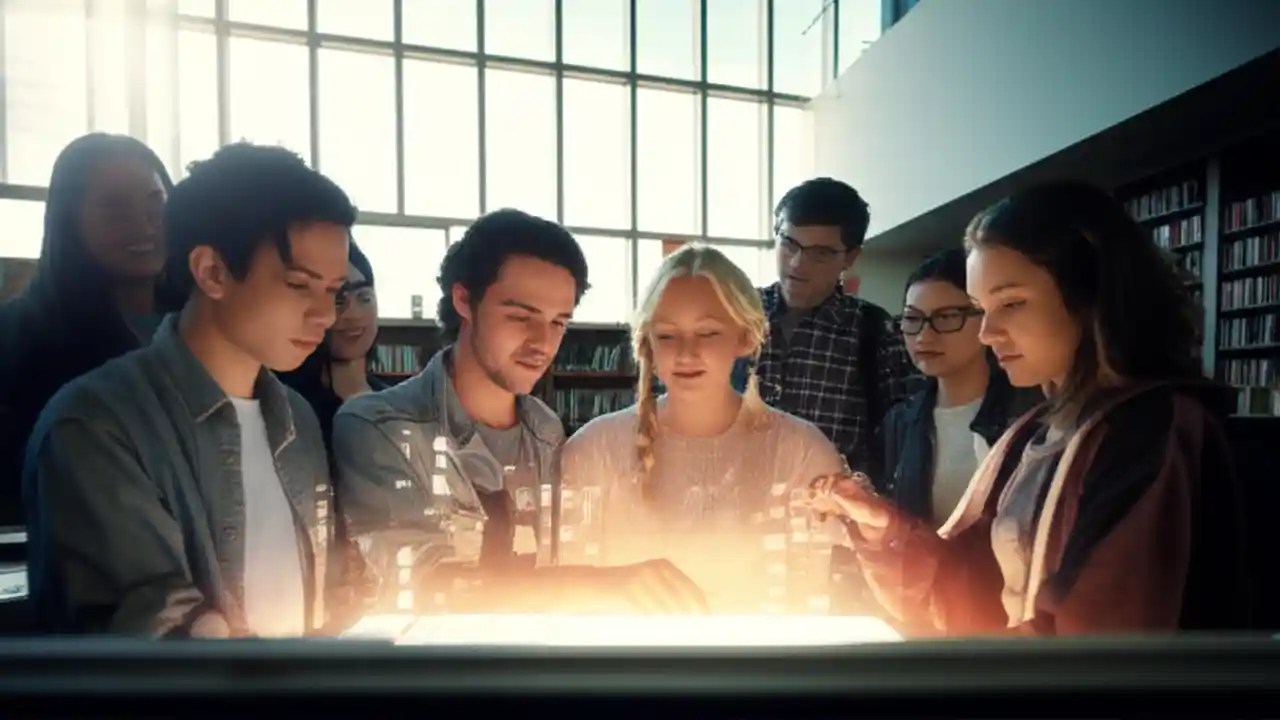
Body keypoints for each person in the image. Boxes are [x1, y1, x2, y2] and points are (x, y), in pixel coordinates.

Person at [804, 180, 1252, 636]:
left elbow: (1103, 646)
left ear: (1091, 296)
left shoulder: (1153, 429)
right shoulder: (1037, 432)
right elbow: (970, 591)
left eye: (1012, 303)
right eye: (982, 307)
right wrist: (883, 528)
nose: (987, 332)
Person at [23, 143, 356, 637]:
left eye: (332, 291)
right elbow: (159, 632)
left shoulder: (296, 418)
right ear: (212, 272)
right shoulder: (97, 426)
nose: (325, 316)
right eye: (297, 284)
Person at [332, 209, 707, 617]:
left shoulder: (545, 429)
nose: (542, 343)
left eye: (558, 323)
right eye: (520, 317)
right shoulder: (380, 427)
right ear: (464, 300)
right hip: (429, 676)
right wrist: (604, 584)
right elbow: (425, 586)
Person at [560, 244, 847, 613]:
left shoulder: (801, 451)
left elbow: (813, 598)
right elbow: (566, 595)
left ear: (743, 337)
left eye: (708, 333)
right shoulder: (593, 450)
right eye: (667, 335)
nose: (685, 353)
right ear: (648, 343)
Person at [0, 133, 173, 525]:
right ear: (68, 219)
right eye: (116, 210)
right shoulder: (20, 335)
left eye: (156, 204)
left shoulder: (201, 329)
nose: (145, 226)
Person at [751, 178, 923, 482]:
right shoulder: (735, 313)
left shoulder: (876, 332)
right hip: (727, 514)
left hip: (826, 519)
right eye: (789, 243)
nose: (797, 263)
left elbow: (904, 442)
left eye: (820, 253)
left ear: (851, 257)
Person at [879, 248, 1041, 528]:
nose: (924, 336)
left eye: (946, 317)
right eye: (913, 318)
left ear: (986, 318)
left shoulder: (1029, 415)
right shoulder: (901, 421)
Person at [280, 236, 389, 454]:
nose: (353, 314)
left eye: (364, 298)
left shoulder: (397, 402)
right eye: (338, 300)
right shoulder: (288, 406)